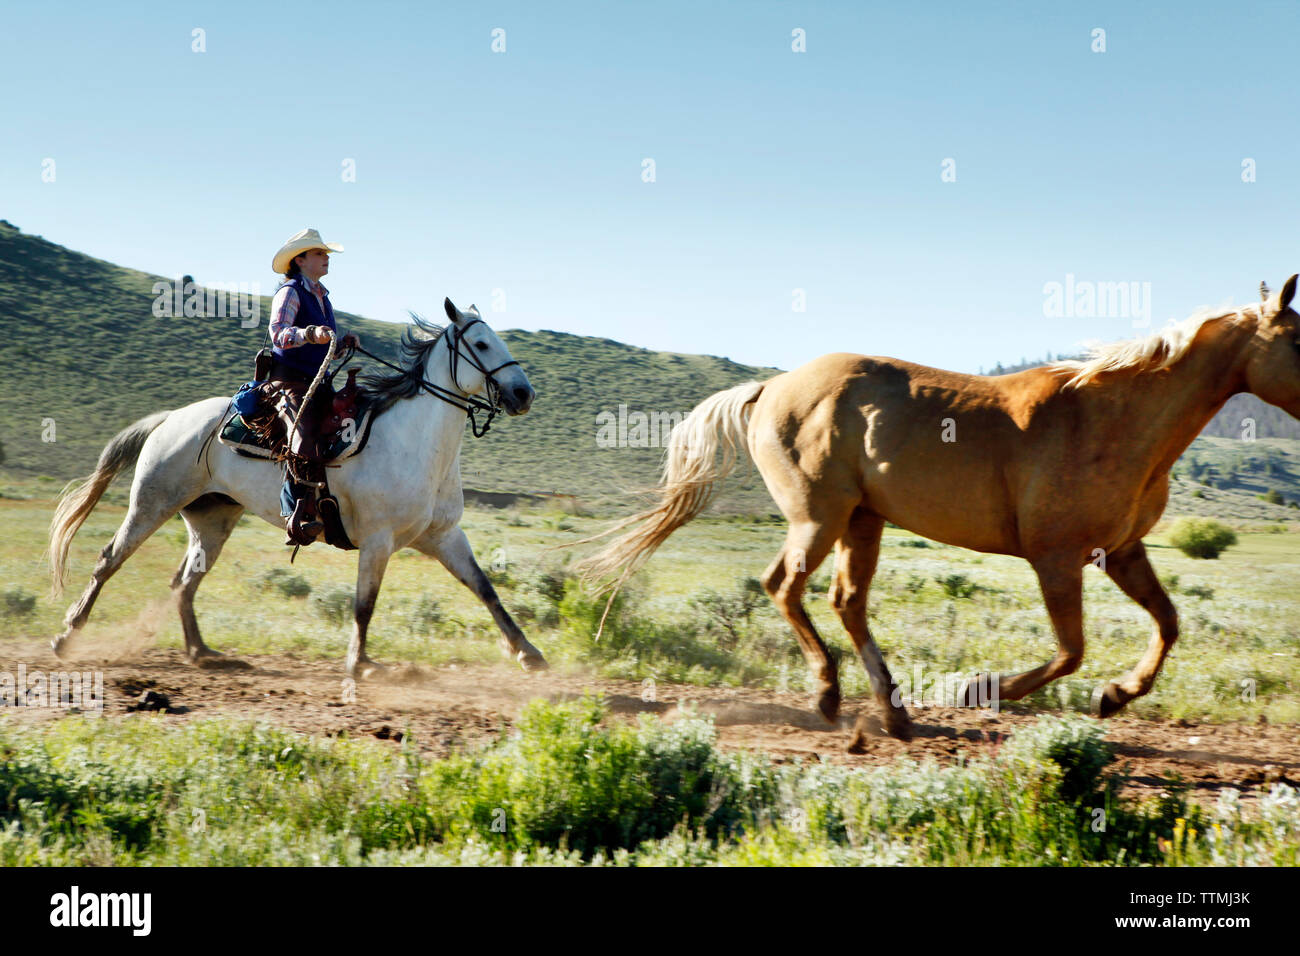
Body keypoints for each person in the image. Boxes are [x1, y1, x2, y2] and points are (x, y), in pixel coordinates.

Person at [267, 228, 360, 545]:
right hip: (288, 381)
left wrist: (340, 345)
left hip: (317, 382)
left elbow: (323, 348)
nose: (326, 258)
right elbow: (279, 334)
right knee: (304, 437)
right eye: (320, 253)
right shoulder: (290, 292)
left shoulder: (323, 297)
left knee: (350, 423)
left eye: (325, 253)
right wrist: (308, 334)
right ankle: (294, 513)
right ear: (301, 259)